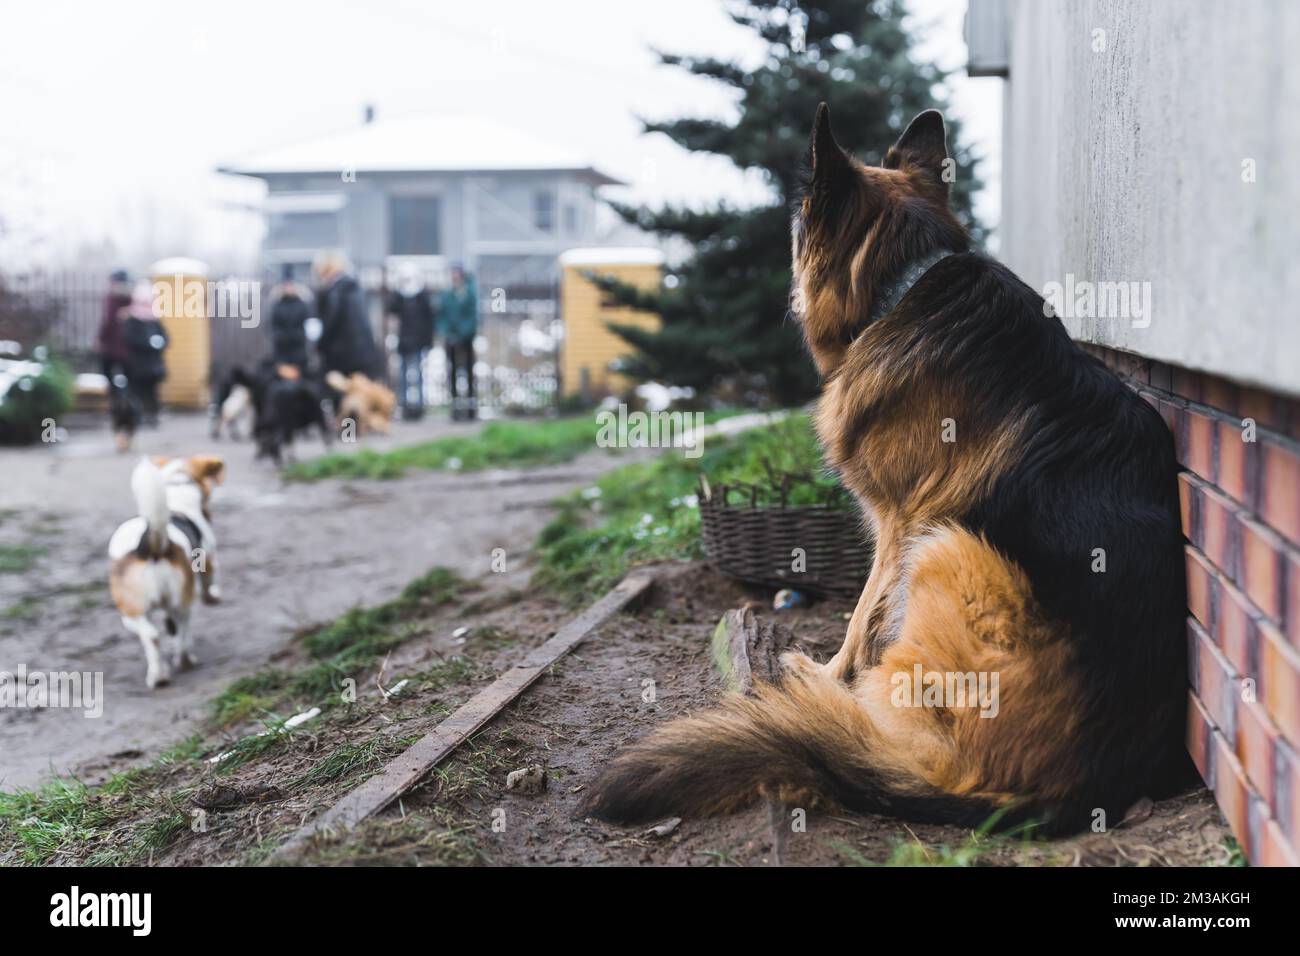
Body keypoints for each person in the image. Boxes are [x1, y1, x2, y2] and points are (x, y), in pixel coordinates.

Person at [313, 250, 382, 388]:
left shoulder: (335, 291)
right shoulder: (354, 287)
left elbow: (330, 323)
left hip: (342, 356)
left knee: (341, 394)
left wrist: (319, 344)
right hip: (363, 354)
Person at [387, 266, 435, 420]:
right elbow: (391, 310)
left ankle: (418, 405)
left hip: (417, 342)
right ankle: (405, 405)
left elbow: (429, 321)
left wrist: (428, 341)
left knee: (418, 375)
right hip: (404, 341)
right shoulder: (400, 297)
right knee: (403, 375)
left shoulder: (422, 297)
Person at [121, 281, 168, 426]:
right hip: (137, 365)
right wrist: (149, 343)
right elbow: (129, 339)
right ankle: (137, 416)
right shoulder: (132, 320)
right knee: (137, 393)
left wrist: (160, 342)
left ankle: (153, 416)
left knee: (153, 393)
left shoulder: (155, 321)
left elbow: (166, 338)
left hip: (154, 366)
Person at [98, 270, 135, 448]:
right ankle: (128, 432)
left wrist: (100, 340)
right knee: (130, 394)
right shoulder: (135, 300)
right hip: (130, 353)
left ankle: (120, 431)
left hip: (111, 351)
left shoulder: (112, 299)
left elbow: (107, 324)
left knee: (115, 394)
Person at [438, 264, 478, 421]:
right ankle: (455, 405)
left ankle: (470, 406)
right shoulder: (447, 294)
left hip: (466, 339)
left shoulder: (469, 293)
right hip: (451, 339)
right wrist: (447, 332)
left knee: (468, 371)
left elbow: (472, 316)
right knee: (452, 371)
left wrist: (463, 333)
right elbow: (441, 316)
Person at [268, 265, 313, 373]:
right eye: (286, 285)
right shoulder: (277, 305)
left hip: (299, 350)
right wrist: (280, 336)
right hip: (281, 350)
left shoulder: (303, 305)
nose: (288, 288)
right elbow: (272, 326)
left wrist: (298, 336)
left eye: (291, 285)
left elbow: (307, 325)